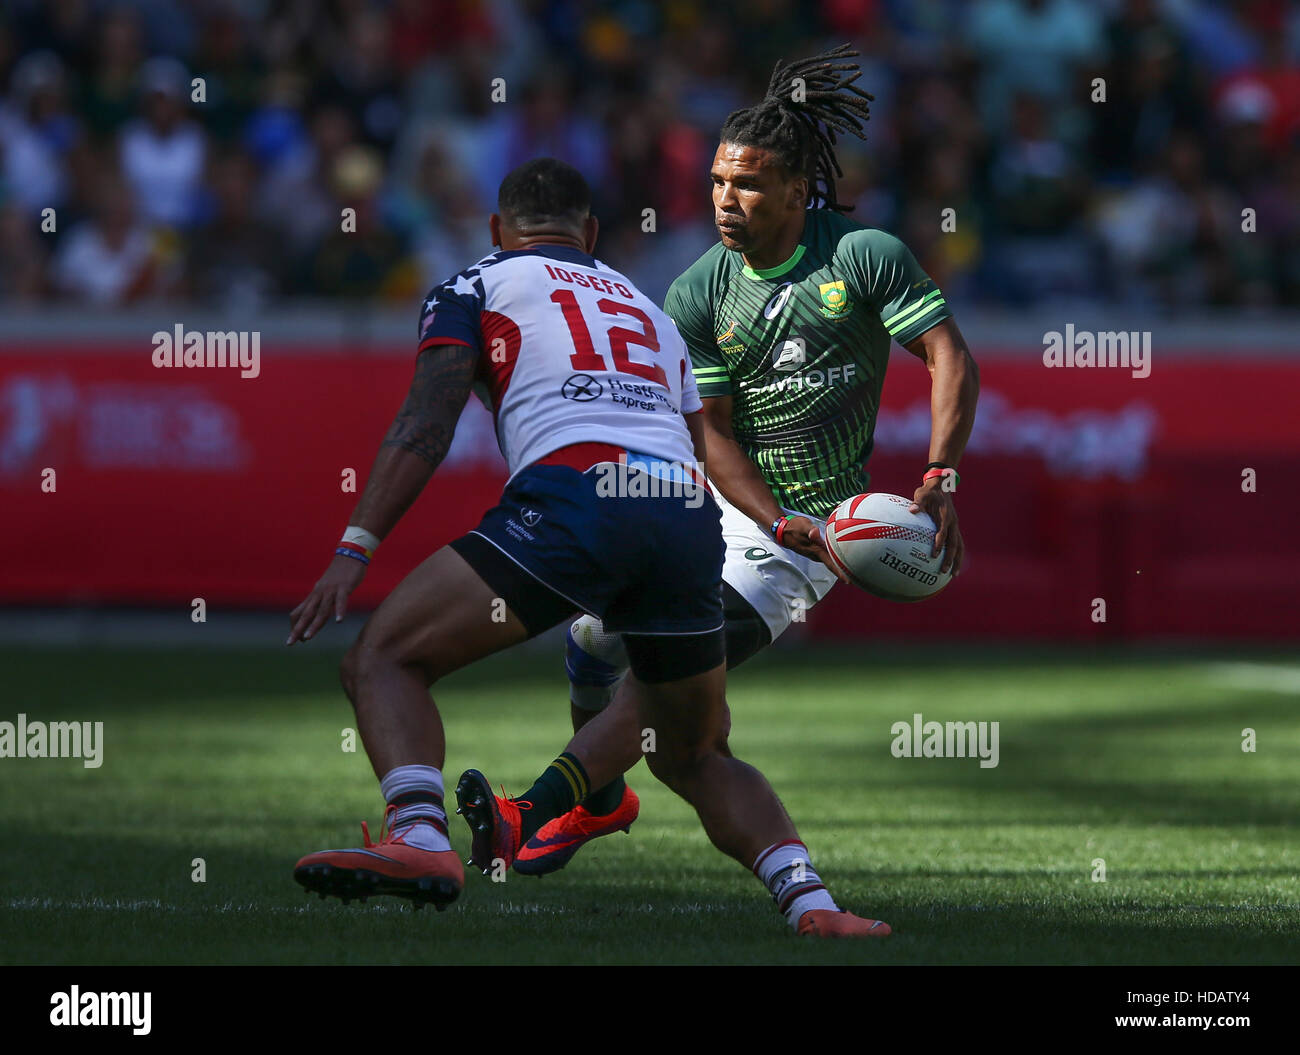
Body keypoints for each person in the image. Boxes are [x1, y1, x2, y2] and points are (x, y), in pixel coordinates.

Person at [287, 156, 889, 937]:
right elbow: (712, 445)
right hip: (681, 512)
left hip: (581, 496)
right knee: (694, 747)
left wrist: (354, 547)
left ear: (500, 231)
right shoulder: (650, 309)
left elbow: (426, 422)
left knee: (383, 658)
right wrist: (775, 523)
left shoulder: (474, 283)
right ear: (593, 234)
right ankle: (814, 907)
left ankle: (420, 837)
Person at [463, 47, 980, 907]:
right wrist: (769, 517)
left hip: (810, 539)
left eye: (746, 184)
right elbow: (714, 438)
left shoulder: (862, 255)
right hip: (724, 512)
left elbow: (947, 354)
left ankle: (527, 811)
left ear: (798, 188)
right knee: (599, 644)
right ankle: (607, 803)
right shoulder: (698, 291)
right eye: (715, 182)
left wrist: (941, 476)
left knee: (663, 688)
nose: (724, 201)